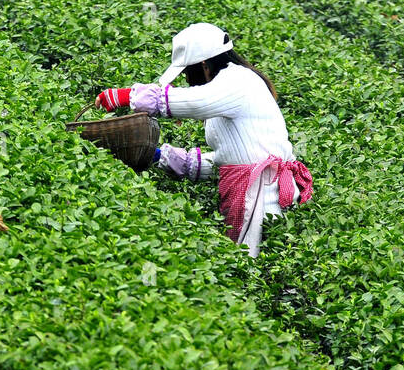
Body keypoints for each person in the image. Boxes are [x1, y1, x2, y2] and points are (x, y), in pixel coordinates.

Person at [94, 22, 312, 256]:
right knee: (244, 262)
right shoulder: (227, 87)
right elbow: (228, 159)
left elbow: (194, 102)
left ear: (204, 65)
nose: (188, 79)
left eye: (188, 72)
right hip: (250, 188)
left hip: (262, 195)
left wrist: (128, 97)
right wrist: (162, 157)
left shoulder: (238, 82)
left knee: (252, 263)